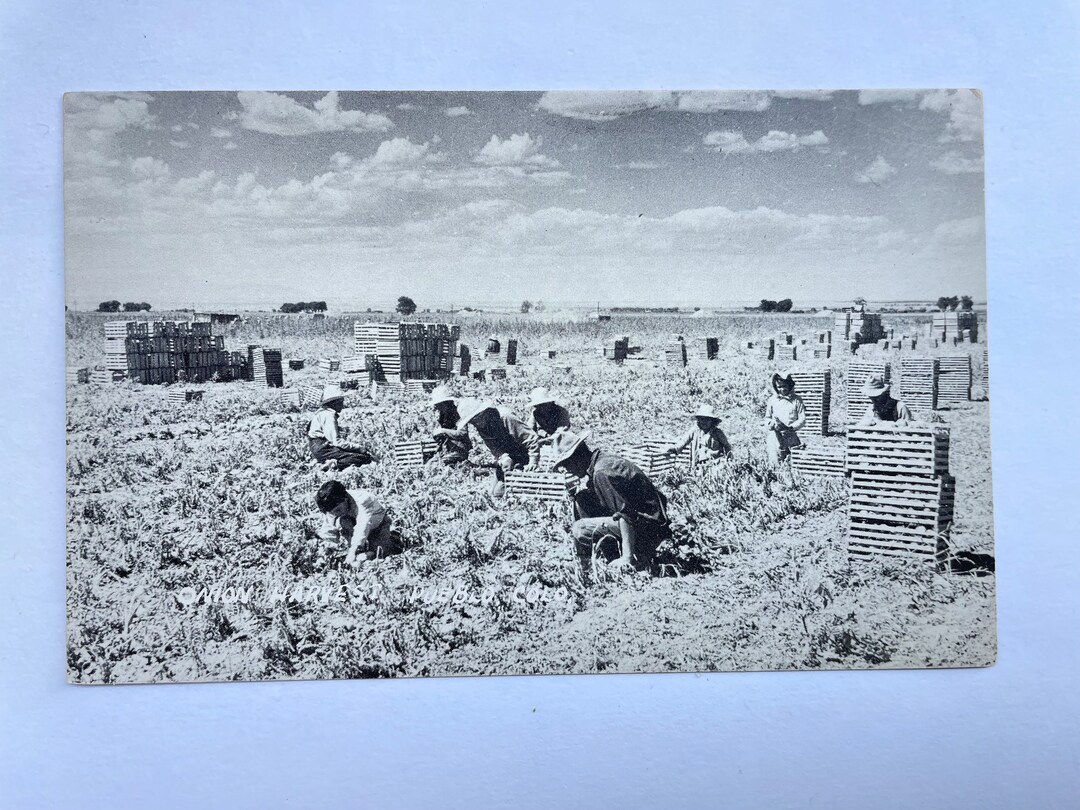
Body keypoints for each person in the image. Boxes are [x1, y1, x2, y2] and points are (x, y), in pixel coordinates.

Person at [551, 431, 671, 578]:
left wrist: (628, 558)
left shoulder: (601, 472)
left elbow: (625, 514)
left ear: (576, 458)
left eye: (566, 465)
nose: (568, 470)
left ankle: (630, 556)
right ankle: (594, 559)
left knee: (580, 528)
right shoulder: (602, 462)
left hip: (649, 528)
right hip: (646, 521)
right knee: (582, 499)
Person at [456, 398, 532, 497]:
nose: (474, 425)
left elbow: (531, 438)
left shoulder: (505, 417)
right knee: (491, 492)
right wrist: (504, 457)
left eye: (474, 420)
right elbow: (493, 447)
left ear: (482, 413)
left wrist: (533, 462)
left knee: (498, 493)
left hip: (525, 455)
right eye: (471, 422)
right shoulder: (481, 426)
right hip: (511, 457)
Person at [315, 480, 394, 567]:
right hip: (352, 525)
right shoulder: (331, 507)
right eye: (332, 512)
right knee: (343, 521)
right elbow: (328, 531)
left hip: (377, 526)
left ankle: (393, 538)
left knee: (381, 554)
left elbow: (362, 526)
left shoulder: (363, 499)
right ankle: (360, 552)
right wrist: (323, 551)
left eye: (338, 510)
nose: (335, 514)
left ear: (345, 499)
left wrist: (352, 551)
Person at [307, 386, 374, 470]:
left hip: (318, 446)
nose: (342, 405)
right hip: (323, 448)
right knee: (362, 457)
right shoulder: (329, 416)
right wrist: (358, 447)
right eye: (341, 402)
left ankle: (324, 462)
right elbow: (336, 441)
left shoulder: (322, 413)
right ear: (334, 403)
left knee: (355, 454)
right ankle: (332, 465)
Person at [664, 403, 732, 467]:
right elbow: (684, 441)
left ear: (712, 421)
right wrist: (675, 448)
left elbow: (727, 446)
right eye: (702, 419)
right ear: (698, 420)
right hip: (700, 465)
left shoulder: (717, 432)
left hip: (716, 464)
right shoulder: (694, 431)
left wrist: (728, 460)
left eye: (707, 419)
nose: (704, 422)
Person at [765, 371, 806, 465]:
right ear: (775, 387)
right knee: (776, 462)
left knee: (792, 462)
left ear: (790, 385)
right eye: (779, 387)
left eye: (784, 386)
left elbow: (802, 419)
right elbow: (767, 417)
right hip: (775, 436)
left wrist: (791, 427)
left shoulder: (797, 400)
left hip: (790, 435)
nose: (782, 389)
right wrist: (770, 424)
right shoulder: (772, 400)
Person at [525, 387, 571, 470]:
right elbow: (528, 430)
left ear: (550, 403)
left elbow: (561, 432)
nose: (541, 408)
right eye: (538, 406)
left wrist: (546, 439)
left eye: (543, 405)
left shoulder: (562, 412)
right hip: (542, 444)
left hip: (560, 444)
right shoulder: (535, 413)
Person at [430, 385, 472, 465]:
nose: (437, 408)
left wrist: (443, 431)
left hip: (460, 450)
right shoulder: (444, 415)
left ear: (446, 404)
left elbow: (463, 433)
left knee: (439, 464)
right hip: (449, 449)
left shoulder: (458, 414)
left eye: (439, 405)